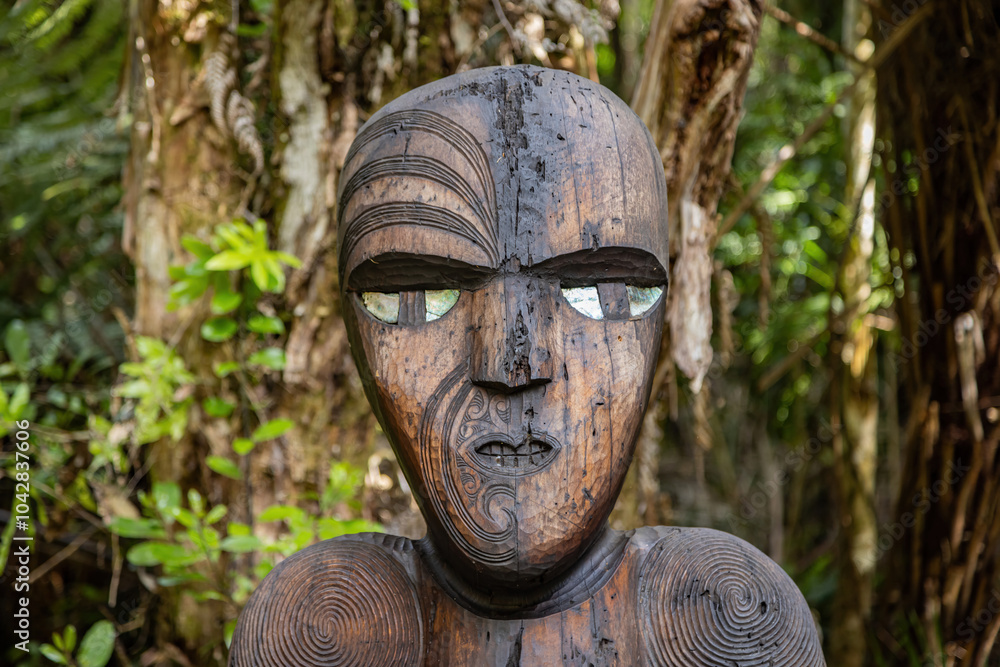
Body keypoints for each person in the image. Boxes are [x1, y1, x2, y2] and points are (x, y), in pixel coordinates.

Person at [230, 65, 825, 666]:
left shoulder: (727, 617)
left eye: (604, 294)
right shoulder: (320, 629)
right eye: (414, 299)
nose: (512, 367)